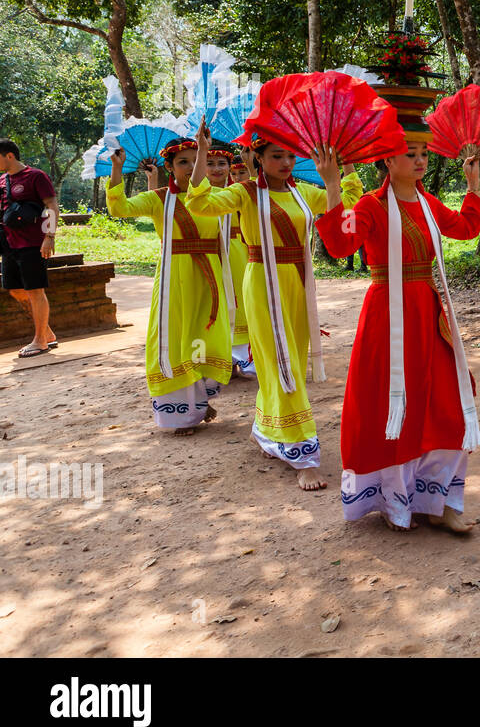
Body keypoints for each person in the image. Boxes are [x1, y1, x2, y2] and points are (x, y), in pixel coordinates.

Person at [315, 131, 480, 533]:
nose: (420, 160)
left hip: (428, 313)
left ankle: (438, 500)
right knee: (392, 405)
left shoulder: (427, 202)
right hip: (387, 316)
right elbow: (340, 245)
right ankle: (397, 502)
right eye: (409, 154)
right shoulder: (371, 206)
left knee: (444, 402)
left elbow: (464, 228)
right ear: (387, 162)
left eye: (424, 153)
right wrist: (331, 186)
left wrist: (473, 185)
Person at [188, 122, 363, 491]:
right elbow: (200, 204)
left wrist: (342, 167)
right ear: (258, 158)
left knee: (289, 362)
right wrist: (203, 152)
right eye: (275, 156)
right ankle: (303, 454)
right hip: (262, 283)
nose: (285, 162)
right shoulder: (245, 193)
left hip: (299, 284)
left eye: (289, 155)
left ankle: (266, 429)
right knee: (280, 361)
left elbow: (348, 206)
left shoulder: (304, 193)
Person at [106, 138, 231, 434]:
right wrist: (117, 170)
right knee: (175, 340)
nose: (191, 168)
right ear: (169, 167)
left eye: (195, 160)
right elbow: (120, 208)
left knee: (206, 337)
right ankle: (180, 415)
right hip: (174, 279)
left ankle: (199, 402)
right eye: (183, 162)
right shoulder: (159, 198)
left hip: (210, 277)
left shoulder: (218, 197)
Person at [0, 140, 58, 358]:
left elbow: (51, 206)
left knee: (36, 291)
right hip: (9, 244)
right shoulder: (2, 180)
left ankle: (40, 341)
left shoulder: (36, 176)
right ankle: (47, 332)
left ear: (9, 156)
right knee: (14, 289)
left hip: (33, 244)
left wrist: (49, 236)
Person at [205, 140, 255, 378]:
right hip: (210, 253)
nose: (217, 169)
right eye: (210, 164)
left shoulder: (239, 191)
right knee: (215, 304)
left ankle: (245, 359)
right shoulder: (198, 193)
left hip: (237, 252)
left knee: (241, 302)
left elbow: (259, 195)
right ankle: (220, 361)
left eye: (222, 164)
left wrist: (250, 164)